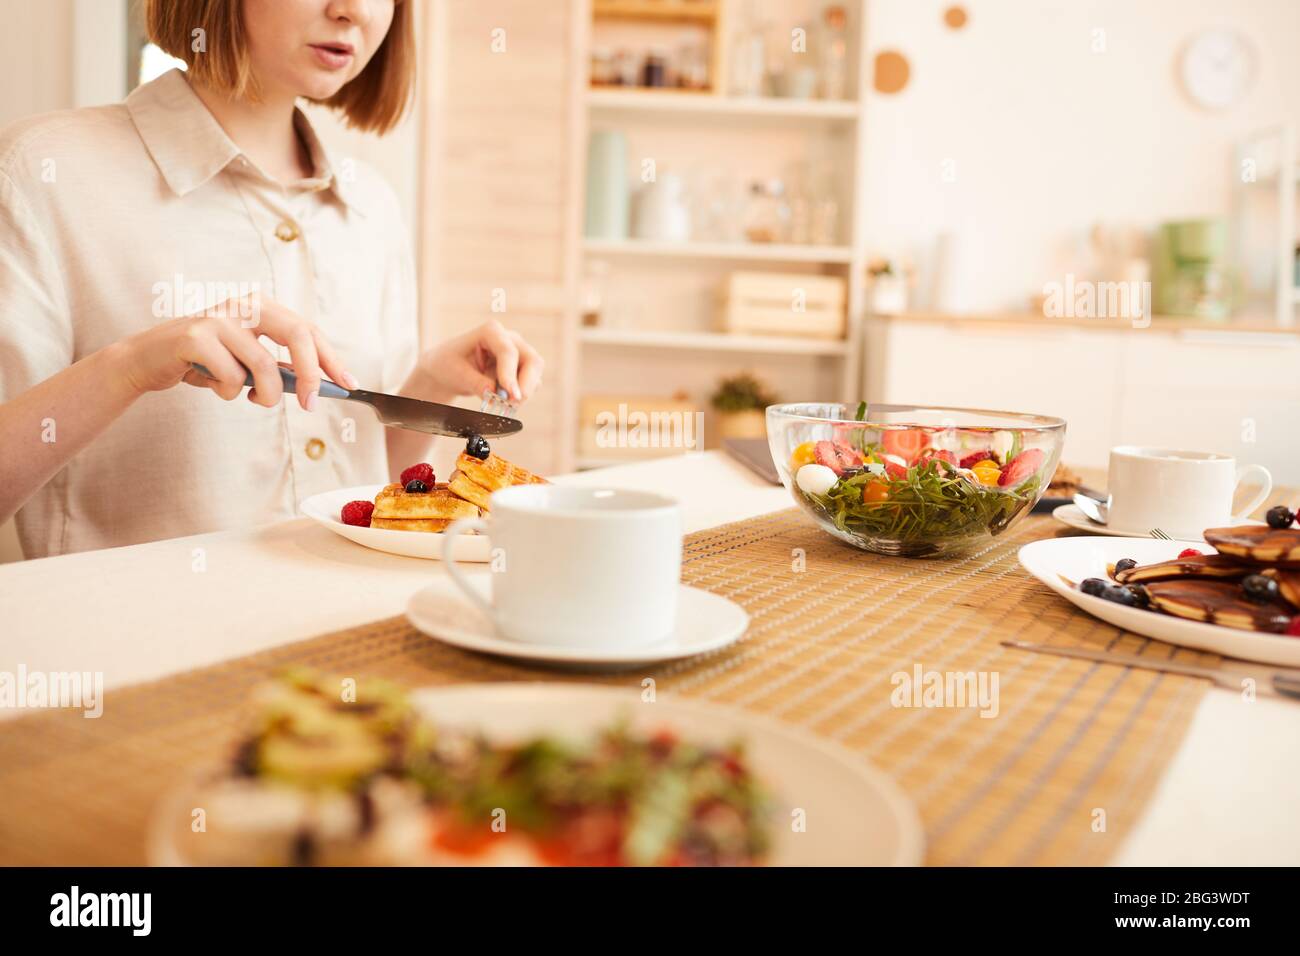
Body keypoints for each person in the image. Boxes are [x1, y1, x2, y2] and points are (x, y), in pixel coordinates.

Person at [0, 0, 542, 559]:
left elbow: (367, 486)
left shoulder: (371, 205)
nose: (354, 10)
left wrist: (428, 382)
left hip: (345, 630)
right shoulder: (42, 172)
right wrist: (131, 366)